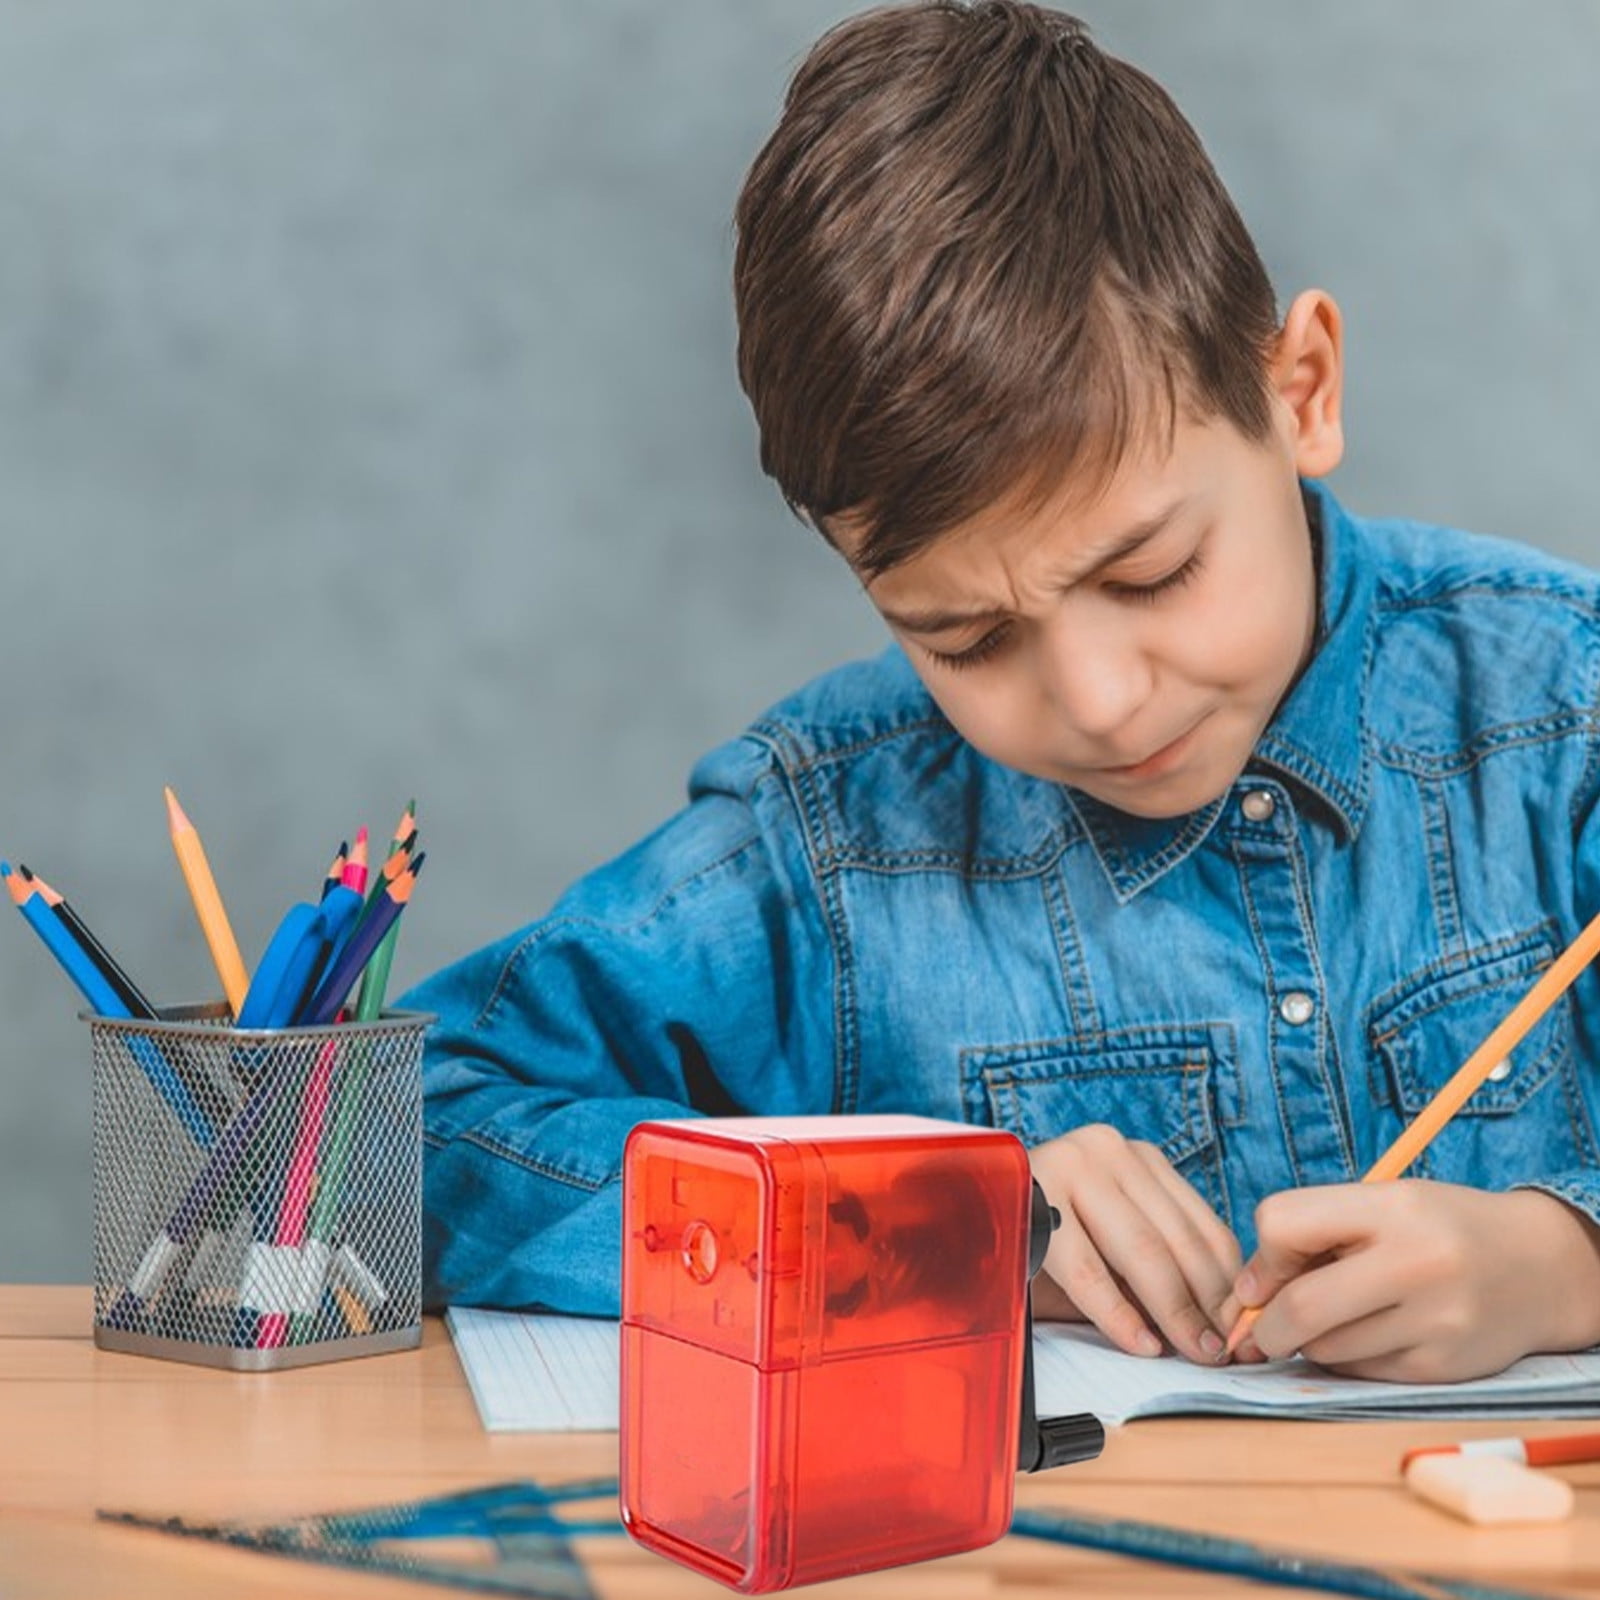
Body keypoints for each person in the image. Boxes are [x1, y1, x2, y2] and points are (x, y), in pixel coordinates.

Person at [405, 0, 1600, 1384]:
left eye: (1152, 573)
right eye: (967, 640)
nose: (1095, 699)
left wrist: (1564, 1263)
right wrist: (922, 1228)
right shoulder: (831, 851)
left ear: (1302, 393)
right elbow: (392, 1131)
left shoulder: (1565, 712)